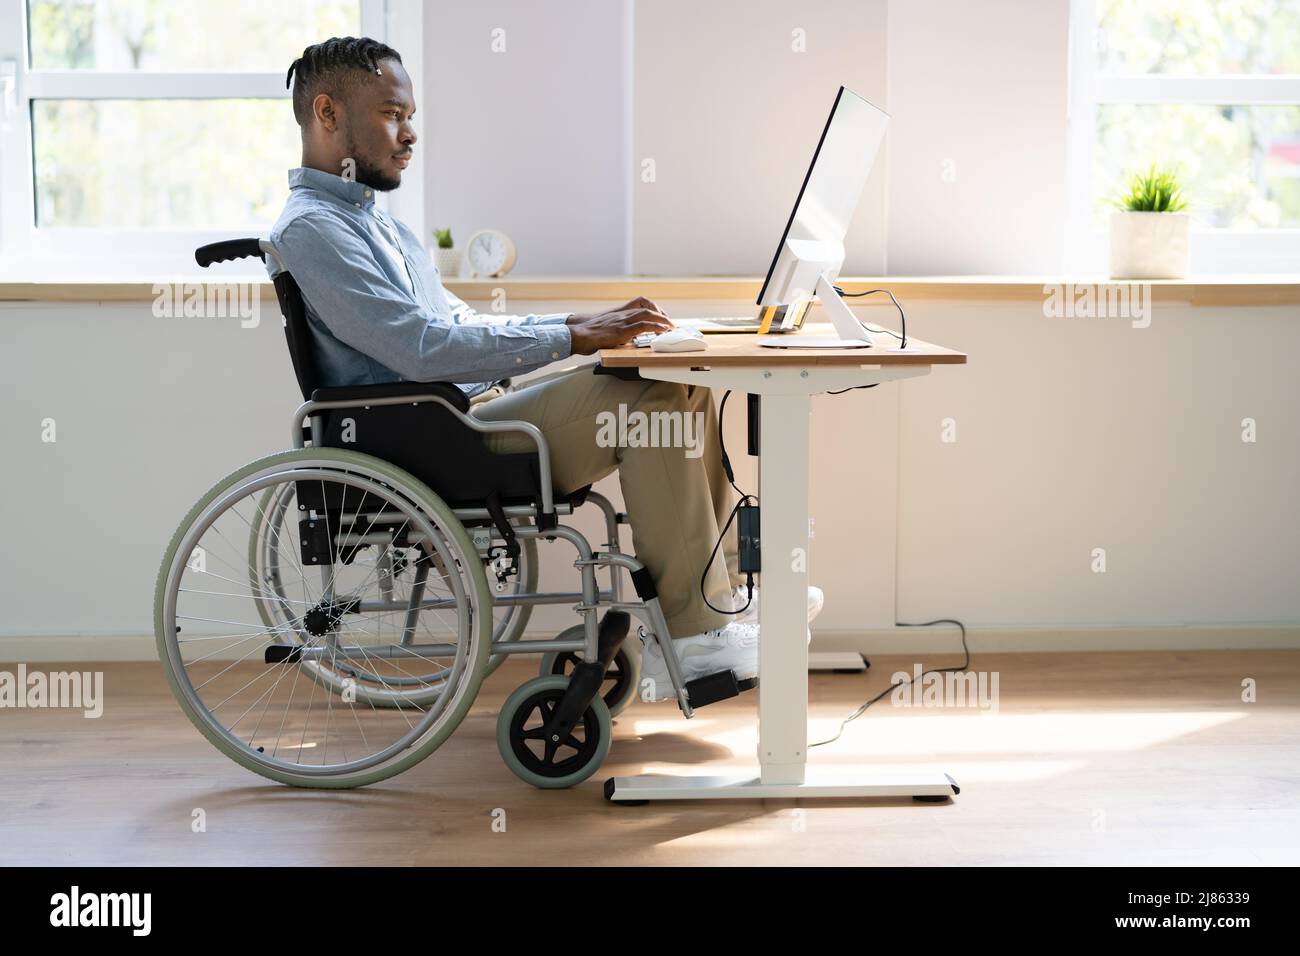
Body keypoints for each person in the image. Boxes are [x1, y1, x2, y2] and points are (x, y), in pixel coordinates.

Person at [265, 37, 821, 697]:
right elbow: (420, 347)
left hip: (451, 421)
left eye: (410, 114)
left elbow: (460, 324)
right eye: (392, 113)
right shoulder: (314, 230)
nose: (409, 133)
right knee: (651, 406)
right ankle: (697, 635)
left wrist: (581, 327)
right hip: (426, 444)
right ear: (326, 115)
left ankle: (719, 594)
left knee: (677, 384)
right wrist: (571, 335)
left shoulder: (374, 224)